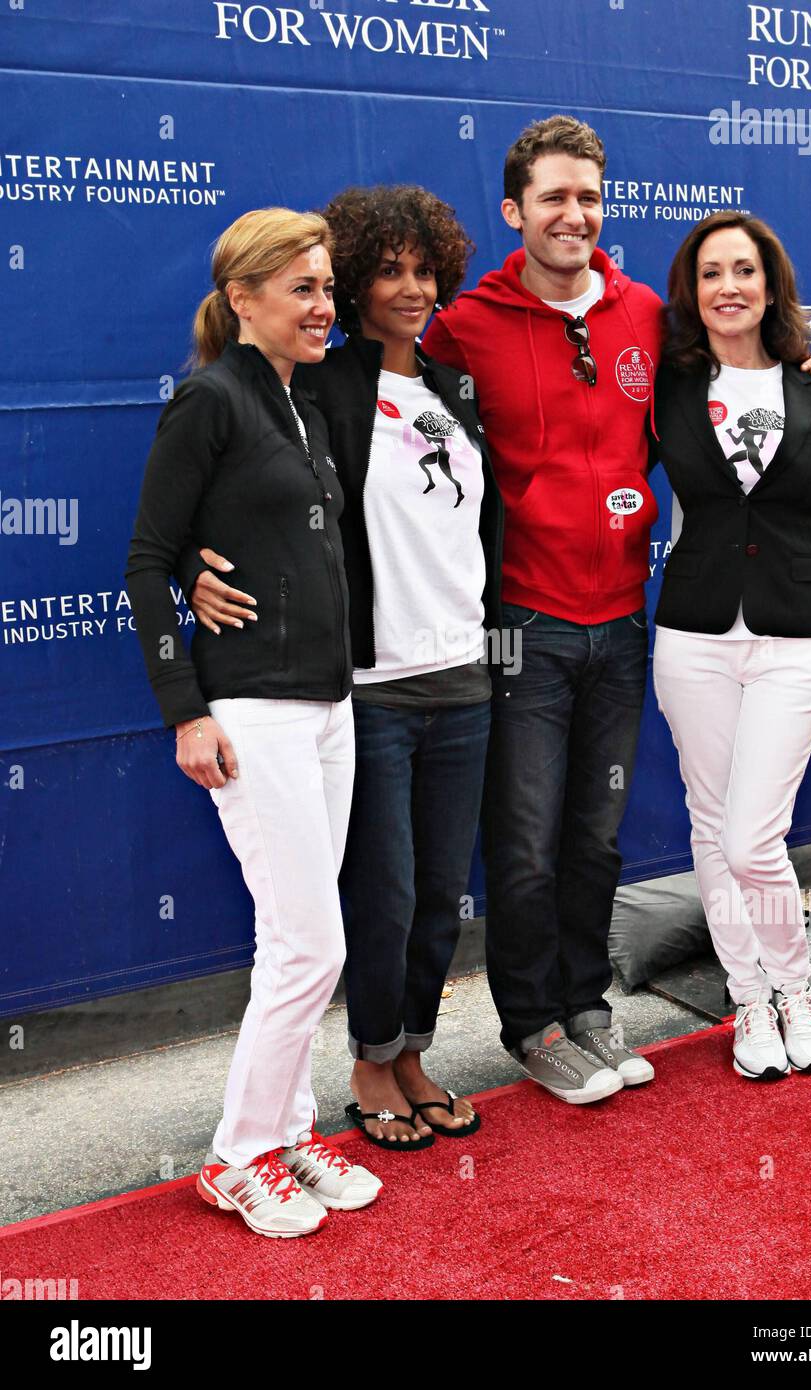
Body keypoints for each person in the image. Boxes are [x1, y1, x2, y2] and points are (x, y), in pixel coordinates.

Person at [422, 115, 811, 1103]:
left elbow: (742, 380)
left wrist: (809, 374)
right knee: (522, 843)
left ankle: (590, 1008)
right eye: (555, 198)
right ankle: (536, 1026)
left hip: (623, 620)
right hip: (520, 621)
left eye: (590, 197)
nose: (576, 215)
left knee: (595, 839)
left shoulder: (649, 313)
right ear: (514, 210)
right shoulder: (465, 325)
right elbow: (378, 411)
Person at [178, 186, 503, 1148]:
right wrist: (195, 566)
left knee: (442, 890)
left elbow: (477, 525)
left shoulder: (453, 386)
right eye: (387, 270)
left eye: (424, 268)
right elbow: (244, 478)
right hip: (366, 686)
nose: (410, 288)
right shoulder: (321, 380)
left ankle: (411, 1050)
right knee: (383, 894)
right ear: (349, 287)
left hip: (465, 672)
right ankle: (367, 1061)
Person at [125, 207, 382, 1236]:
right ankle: (238, 1154)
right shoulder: (208, 400)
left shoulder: (301, 404)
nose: (326, 306)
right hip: (249, 710)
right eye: (304, 290)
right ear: (243, 300)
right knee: (310, 947)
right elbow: (148, 559)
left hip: (327, 706)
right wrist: (186, 711)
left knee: (299, 936)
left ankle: (290, 1126)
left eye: (327, 287)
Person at [650, 210, 811, 1080]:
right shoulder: (668, 388)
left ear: (770, 284)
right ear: (693, 291)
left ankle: (796, 988)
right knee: (712, 829)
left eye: (744, 270)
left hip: (796, 635)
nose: (728, 287)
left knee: (754, 838)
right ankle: (748, 1005)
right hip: (695, 634)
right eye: (711, 273)